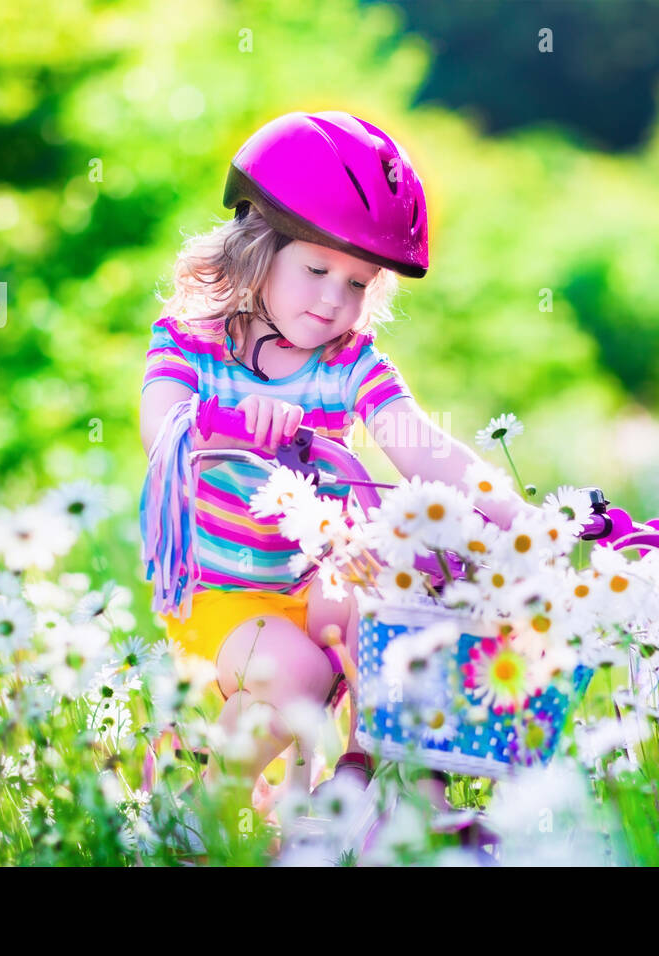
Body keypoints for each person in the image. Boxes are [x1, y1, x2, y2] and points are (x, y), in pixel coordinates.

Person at [138, 110, 535, 822]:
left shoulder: (347, 360)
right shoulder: (189, 344)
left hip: (315, 585)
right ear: (258, 250)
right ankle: (194, 818)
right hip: (221, 594)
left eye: (357, 282)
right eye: (317, 269)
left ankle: (382, 784)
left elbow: (421, 444)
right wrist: (220, 419)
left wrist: (524, 521)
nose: (333, 300)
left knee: (411, 610)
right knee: (298, 671)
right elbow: (159, 423)